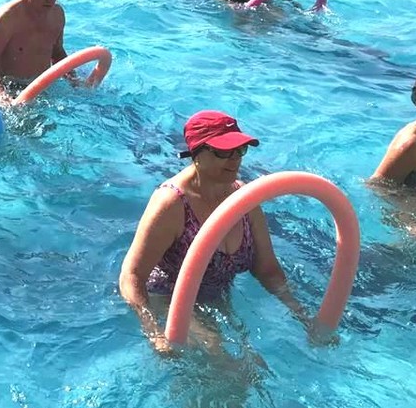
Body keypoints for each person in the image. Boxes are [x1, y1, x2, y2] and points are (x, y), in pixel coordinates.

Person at [118, 111, 309, 353]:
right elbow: (132, 276)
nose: (235, 160)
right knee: (222, 358)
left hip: (216, 298)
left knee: (255, 367)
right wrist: (153, 332)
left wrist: (302, 316)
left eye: (240, 150)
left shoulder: (245, 198)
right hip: (168, 300)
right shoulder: (172, 204)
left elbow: (268, 270)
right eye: (223, 152)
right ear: (196, 153)